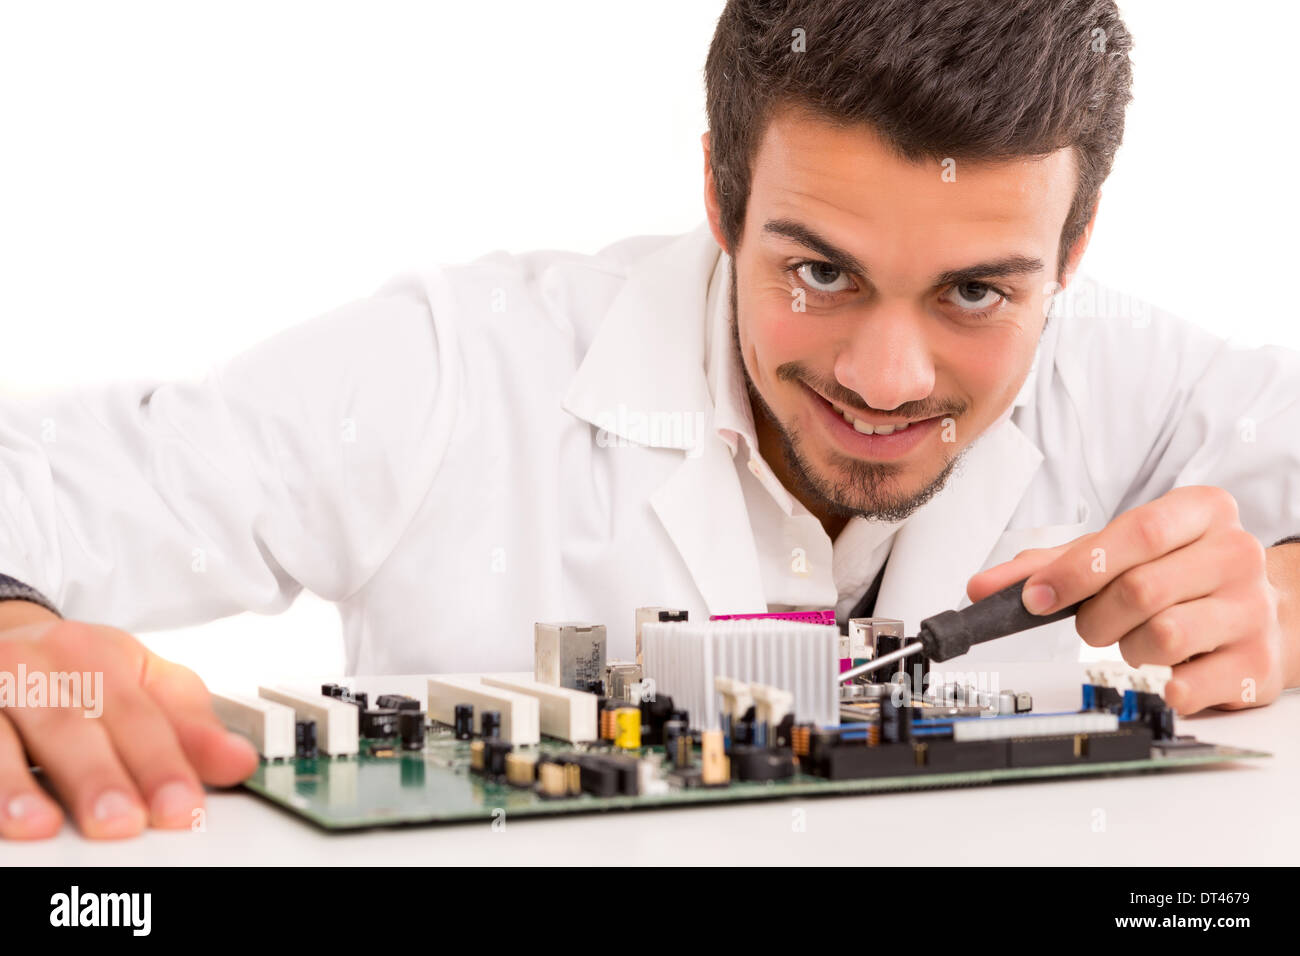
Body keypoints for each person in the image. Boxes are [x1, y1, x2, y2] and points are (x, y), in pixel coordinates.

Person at [0, 0, 1296, 842]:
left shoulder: (1130, 370)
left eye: (976, 292)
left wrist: (1285, 604)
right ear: (722, 202)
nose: (891, 378)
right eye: (820, 270)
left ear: (1070, 256)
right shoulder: (452, 372)